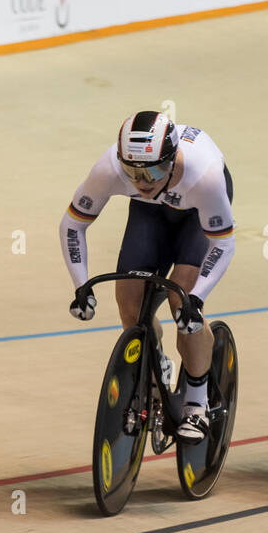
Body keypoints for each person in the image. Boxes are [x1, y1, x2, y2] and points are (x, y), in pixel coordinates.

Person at [59, 111, 236, 442]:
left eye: (152, 170)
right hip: (150, 213)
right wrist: (81, 286)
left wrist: (195, 299)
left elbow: (223, 243)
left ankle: (197, 403)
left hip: (195, 212)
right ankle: (157, 362)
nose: (142, 181)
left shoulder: (205, 176)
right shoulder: (111, 166)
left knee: (180, 298)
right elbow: (73, 225)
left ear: (170, 160)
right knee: (129, 303)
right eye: (132, 172)